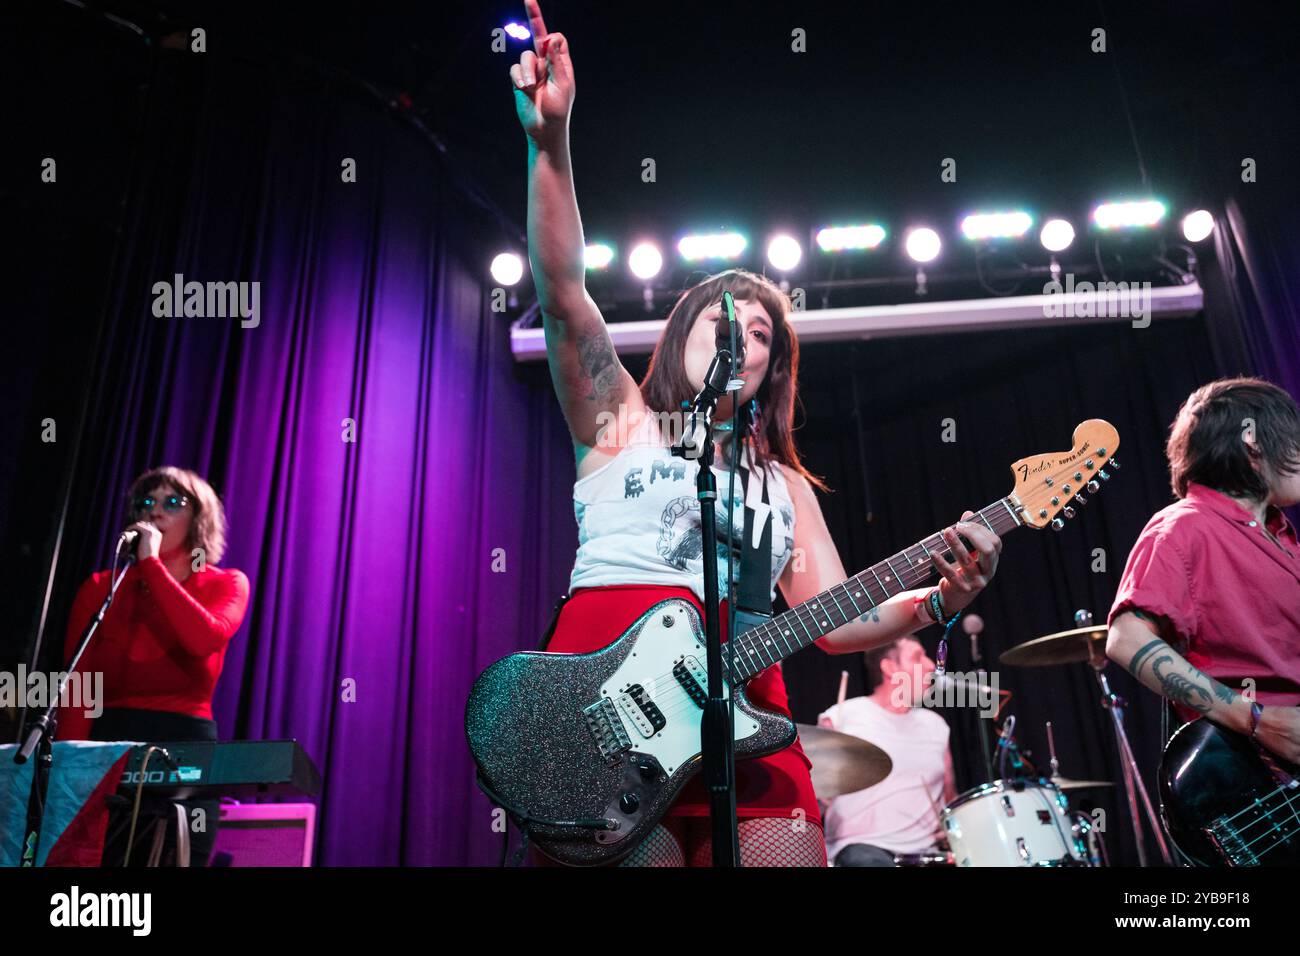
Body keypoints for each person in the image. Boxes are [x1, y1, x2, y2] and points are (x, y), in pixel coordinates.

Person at [511, 0, 1002, 867]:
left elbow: (835, 619)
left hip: (748, 715)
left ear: (772, 370)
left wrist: (940, 599)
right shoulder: (622, 418)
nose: (743, 333)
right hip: (598, 704)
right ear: (681, 333)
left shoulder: (782, 482)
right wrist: (551, 142)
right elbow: (561, 293)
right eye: (721, 317)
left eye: (765, 331)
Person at [58, 465, 250, 865]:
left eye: (173, 502)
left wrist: (152, 566)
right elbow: (78, 687)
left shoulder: (226, 583)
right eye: (147, 502)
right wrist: (69, 773)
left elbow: (203, 639)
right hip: (107, 743)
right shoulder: (100, 588)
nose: (156, 511)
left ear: (200, 519)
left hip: (184, 747)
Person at [1106, 377, 1300, 765]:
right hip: (1265, 782)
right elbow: (1126, 639)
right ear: (1253, 445)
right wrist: (1257, 720)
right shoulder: (1183, 527)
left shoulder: (1280, 534)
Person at [818, 638, 957, 866]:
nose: (931, 665)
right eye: (917, 657)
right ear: (889, 668)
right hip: (861, 848)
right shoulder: (843, 716)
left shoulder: (935, 725)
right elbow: (816, 788)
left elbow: (948, 796)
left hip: (926, 852)